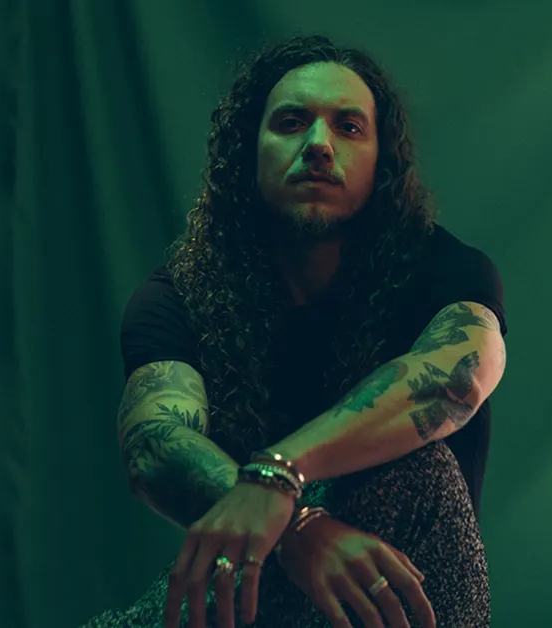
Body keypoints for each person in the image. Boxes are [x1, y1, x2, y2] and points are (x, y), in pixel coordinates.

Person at [81, 34, 508, 628]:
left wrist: (278, 474)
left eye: (348, 127)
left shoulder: (444, 270)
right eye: (291, 123)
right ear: (247, 152)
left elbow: (457, 377)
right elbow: (153, 442)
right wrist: (298, 531)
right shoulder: (179, 297)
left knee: (419, 469)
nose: (318, 146)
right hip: (269, 588)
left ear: (381, 160)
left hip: (411, 596)